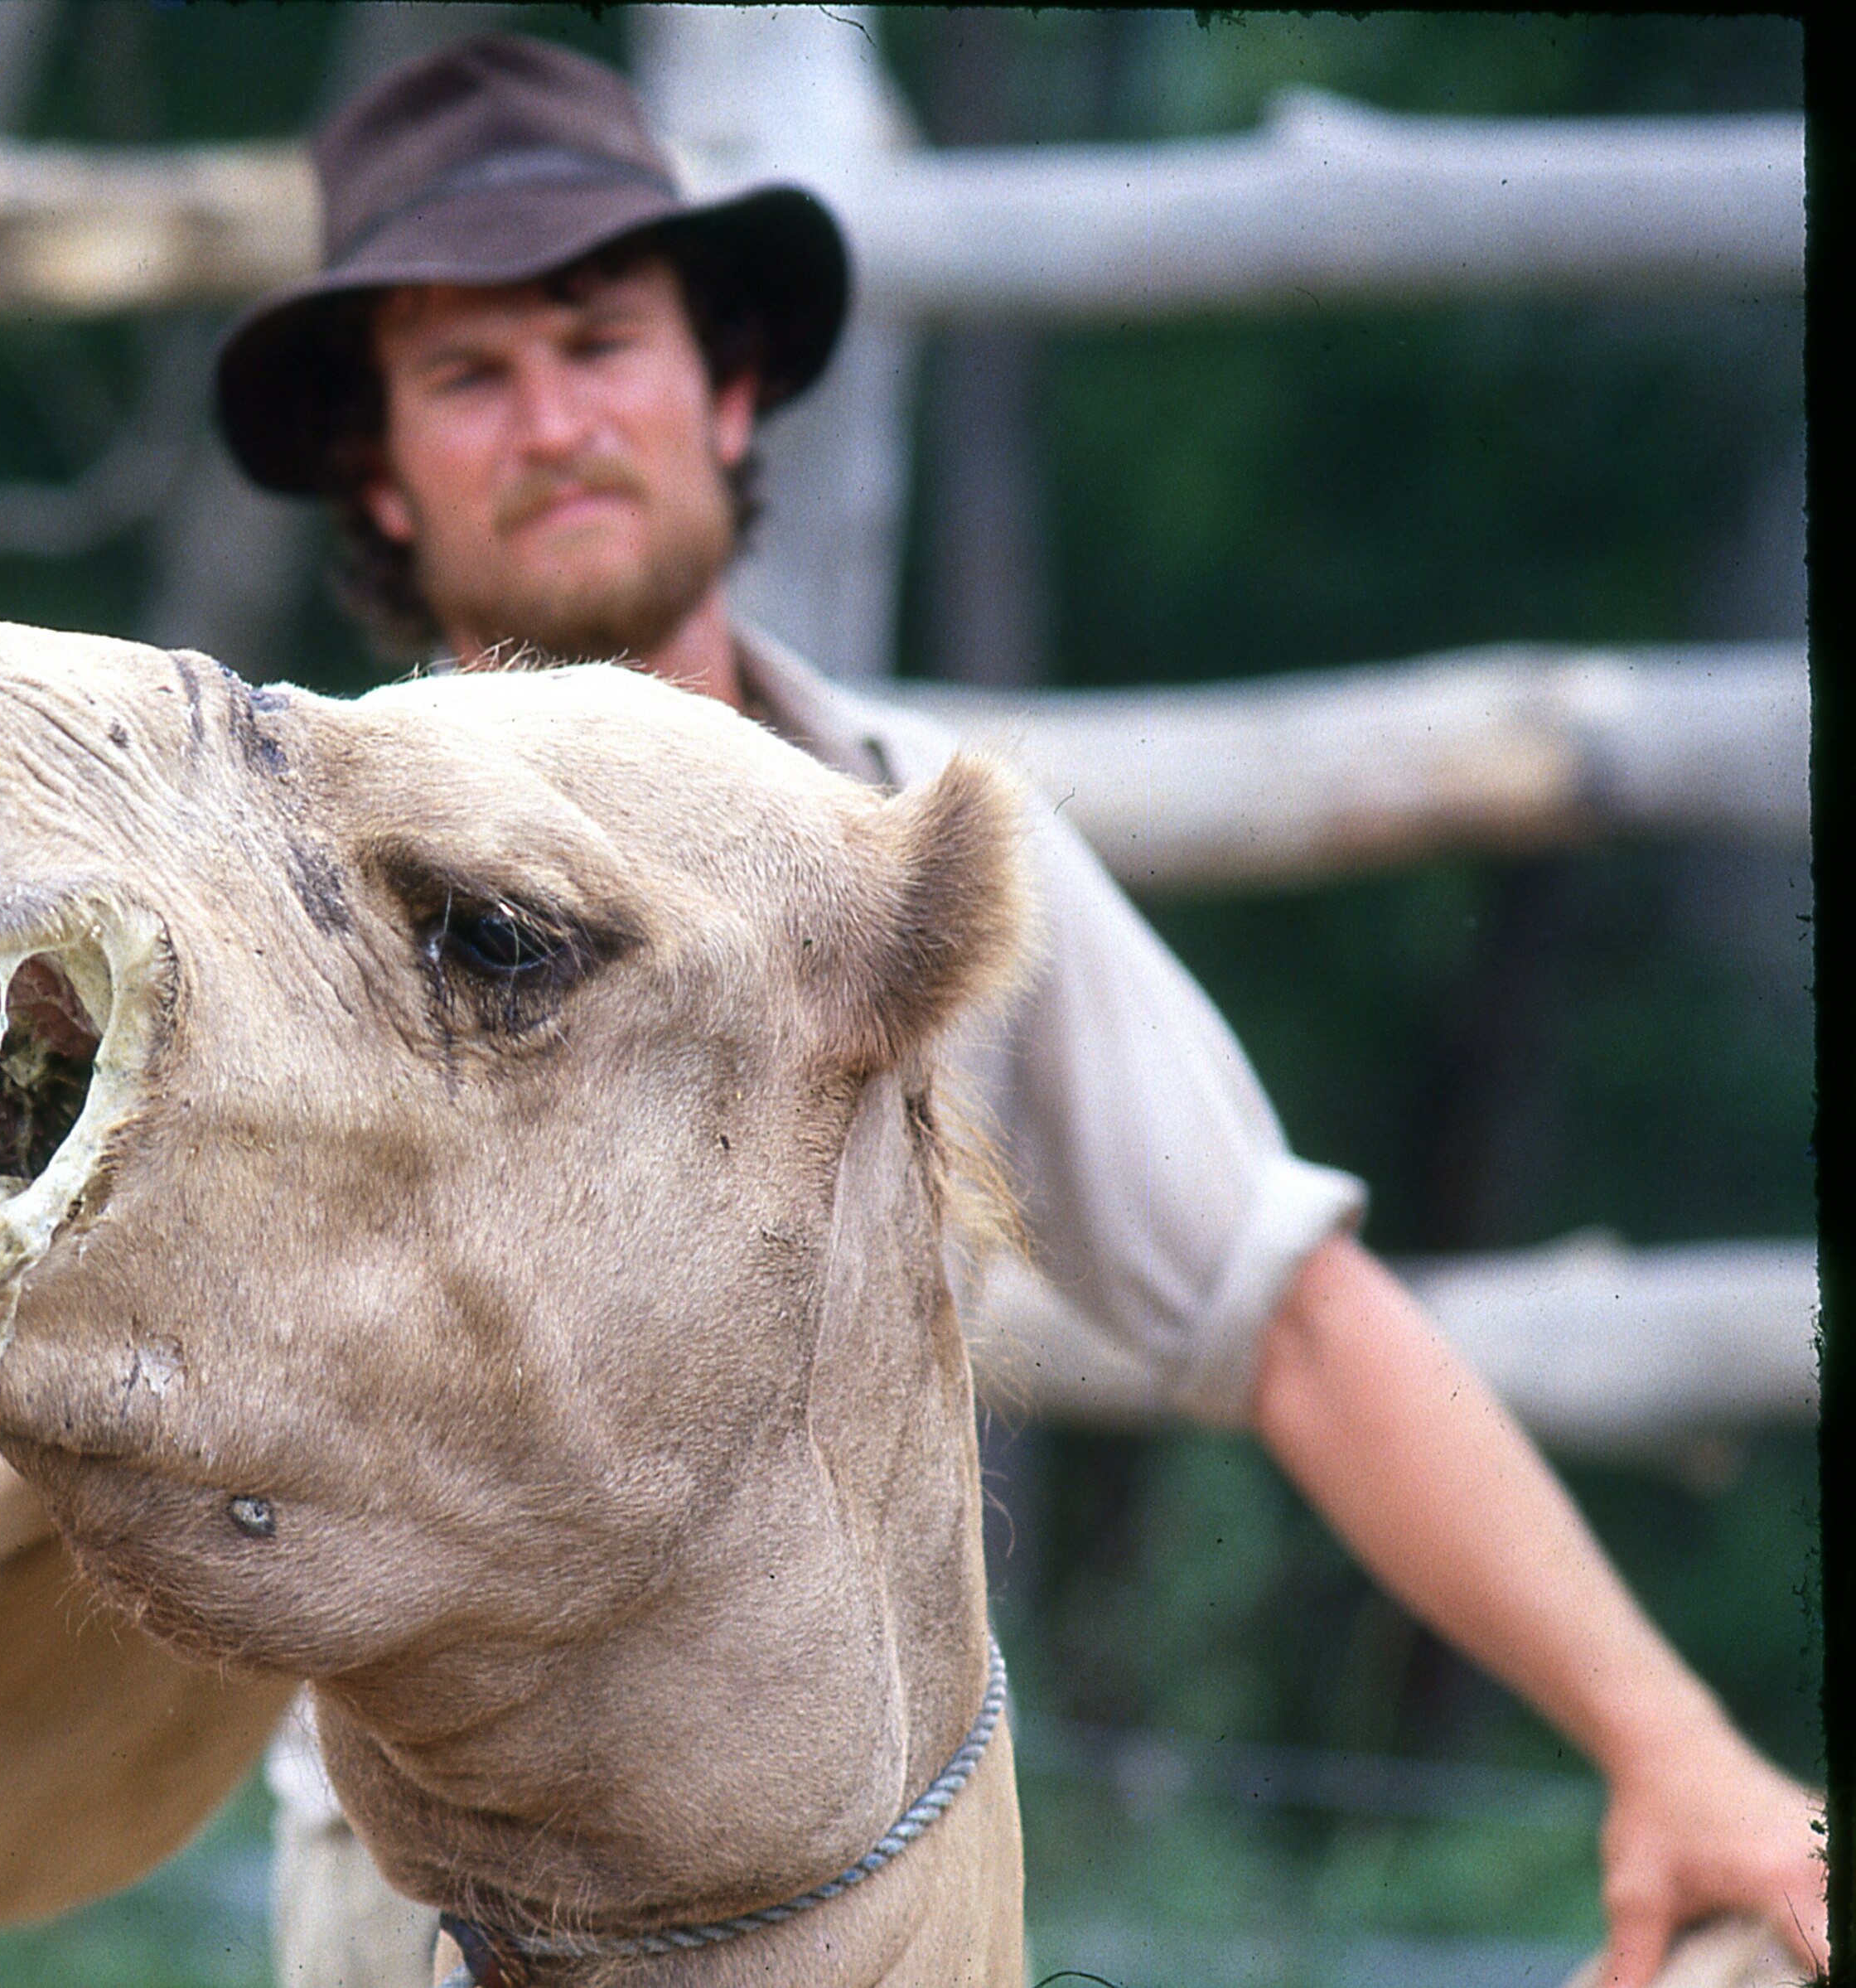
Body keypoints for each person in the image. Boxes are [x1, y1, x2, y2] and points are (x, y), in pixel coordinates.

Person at [207, 35, 1825, 1988]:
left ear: (727, 390)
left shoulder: (907, 876)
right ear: (378, 478)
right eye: (468, 375)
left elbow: (1297, 1318)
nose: (552, 419)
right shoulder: (273, 897)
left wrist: (1679, 1755)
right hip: (434, 1912)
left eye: (596, 338)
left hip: (866, 1908)